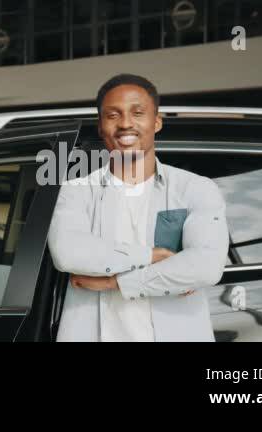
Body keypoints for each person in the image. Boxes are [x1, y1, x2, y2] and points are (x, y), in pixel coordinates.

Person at [47, 74, 229, 342]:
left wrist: (114, 283)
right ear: (100, 127)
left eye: (137, 113)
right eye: (113, 115)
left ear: (156, 122)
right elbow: (68, 255)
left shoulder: (195, 189)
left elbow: (206, 266)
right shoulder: (76, 192)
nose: (125, 124)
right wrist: (151, 256)